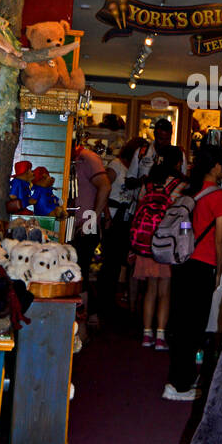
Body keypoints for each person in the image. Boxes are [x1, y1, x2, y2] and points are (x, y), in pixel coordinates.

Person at [164, 144, 222, 402]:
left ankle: (176, 378)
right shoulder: (220, 196)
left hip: (181, 262)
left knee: (180, 320)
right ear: (215, 167)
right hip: (203, 264)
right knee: (195, 325)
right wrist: (217, 270)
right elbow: (219, 237)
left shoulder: (187, 190)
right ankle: (181, 385)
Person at [128, 147, 185, 349]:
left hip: (146, 243)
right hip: (167, 244)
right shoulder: (180, 185)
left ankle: (146, 333)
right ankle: (160, 336)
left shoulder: (149, 183)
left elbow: (138, 210)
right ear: (178, 162)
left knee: (150, 289)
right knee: (165, 291)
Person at [94, 136, 146, 318]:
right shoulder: (116, 166)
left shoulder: (135, 171)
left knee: (116, 262)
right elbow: (103, 189)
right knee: (110, 261)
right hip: (114, 216)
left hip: (125, 217)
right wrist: (106, 215)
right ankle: (101, 302)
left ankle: (108, 301)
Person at [71, 139, 111, 309]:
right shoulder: (77, 157)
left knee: (82, 274)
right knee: (79, 273)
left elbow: (105, 186)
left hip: (84, 224)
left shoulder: (87, 157)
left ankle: (82, 320)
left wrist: (92, 220)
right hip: (78, 224)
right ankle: (85, 318)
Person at [124, 117, 186, 202]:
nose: (163, 142)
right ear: (154, 134)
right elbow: (128, 182)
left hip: (167, 207)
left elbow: (183, 182)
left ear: (171, 135)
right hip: (143, 205)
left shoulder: (178, 154)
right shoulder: (142, 152)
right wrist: (142, 181)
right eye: (160, 139)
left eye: (167, 139)